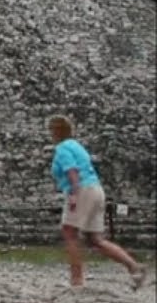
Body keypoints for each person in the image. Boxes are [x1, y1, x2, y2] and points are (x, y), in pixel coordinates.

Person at [48, 115, 146, 289]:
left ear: (55, 131)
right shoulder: (77, 146)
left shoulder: (62, 148)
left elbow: (72, 172)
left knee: (70, 232)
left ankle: (76, 280)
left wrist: (73, 196)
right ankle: (134, 267)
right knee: (95, 239)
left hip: (81, 190)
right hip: (96, 189)